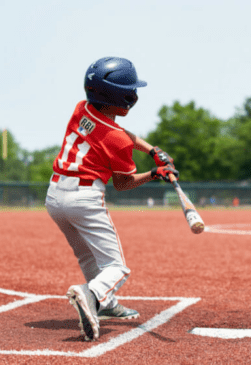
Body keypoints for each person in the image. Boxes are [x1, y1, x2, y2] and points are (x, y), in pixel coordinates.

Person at [45, 57, 178, 342]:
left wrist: (151, 149)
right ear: (123, 97)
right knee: (116, 267)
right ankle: (91, 294)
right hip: (84, 199)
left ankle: (105, 304)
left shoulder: (82, 108)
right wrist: (155, 173)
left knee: (88, 256)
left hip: (55, 196)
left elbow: (116, 131)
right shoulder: (116, 139)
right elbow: (123, 183)